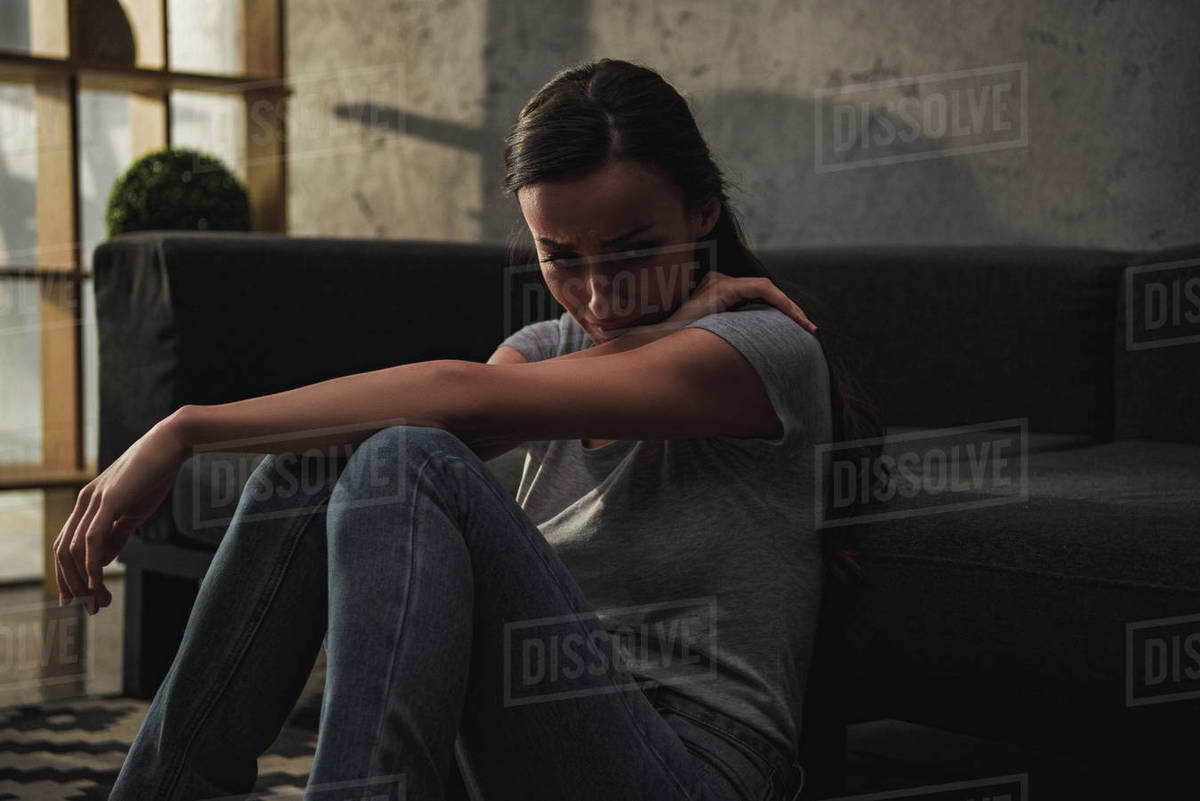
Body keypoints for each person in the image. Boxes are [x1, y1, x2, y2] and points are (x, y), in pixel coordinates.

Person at [58, 58, 883, 801]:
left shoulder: (761, 344)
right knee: (320, 463)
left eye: (633, 250)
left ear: (703, 207)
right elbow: (458, 405)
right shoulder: (549, 350)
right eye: (562, 257)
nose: (599, 297)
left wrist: (184, 429)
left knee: (409, 455)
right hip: (519, 734)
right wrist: (659, 330)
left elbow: (462, 404)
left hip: (687, 763)